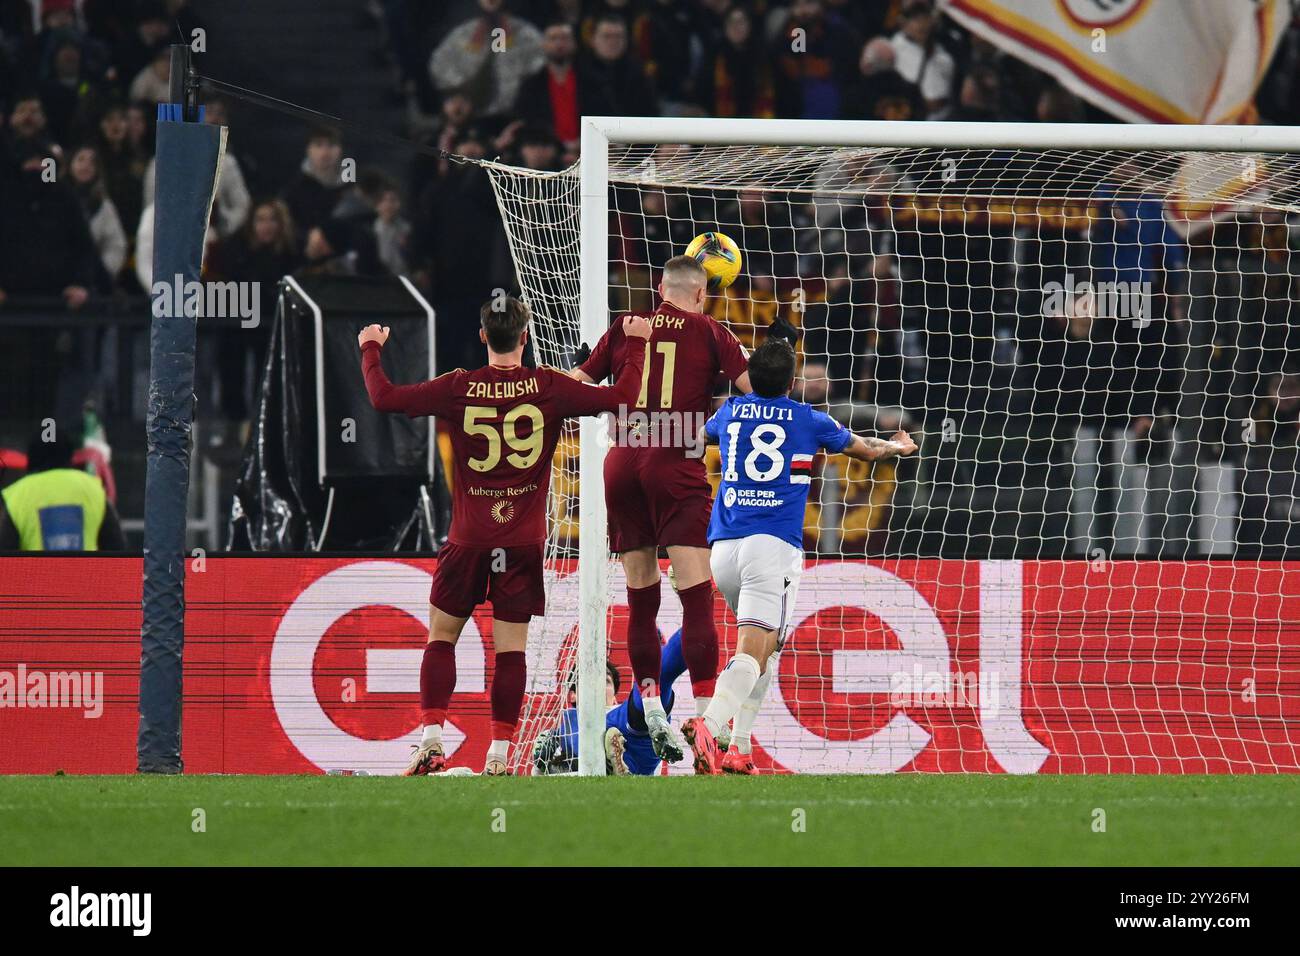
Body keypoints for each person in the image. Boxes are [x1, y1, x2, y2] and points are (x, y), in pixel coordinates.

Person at [359, 296, 652, 775]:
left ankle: (432, 739)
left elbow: (384, 398)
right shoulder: (550, 387)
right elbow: (622, 399)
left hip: (468, 540)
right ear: (526, 337)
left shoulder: (458, 387)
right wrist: (636, 346)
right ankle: (498, 755)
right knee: (510, 650)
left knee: (442, 638)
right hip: (521, 543)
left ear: (482, 337)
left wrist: (371, 348)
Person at [683, 338, 916, 773]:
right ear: (793, 383)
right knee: (755, 652)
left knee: (764, 648)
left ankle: (739, 749)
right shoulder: (810, 419)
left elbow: (698, 437)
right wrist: (898, 447)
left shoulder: (730, 411)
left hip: (723, 549)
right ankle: (709, 726)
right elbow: (866, 448)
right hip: (771, 549)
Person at [572, 255, 751, 763]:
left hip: (622, 460)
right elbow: (756, 393)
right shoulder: (711, 331)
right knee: (696, 598)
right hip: (675, 461)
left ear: (660, 288)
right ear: (700, 294)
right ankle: (702, 719)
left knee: (641, 594)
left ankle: (649, 703)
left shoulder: (626, 326)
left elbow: (578, 381)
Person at [534, 629, 693, 776]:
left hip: (628, 731)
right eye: (590, 678)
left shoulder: (621, 710)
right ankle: (609, 763)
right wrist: (538, 764)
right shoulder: (567, 726)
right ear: (573, 695)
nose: (598, 684)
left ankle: (695, 622)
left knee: (654, 680)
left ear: (615, 696)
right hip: (582, 743)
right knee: (572, 722)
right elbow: (536, 781)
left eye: (606, 681)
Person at [0, 429, 126, 551]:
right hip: (85, 572)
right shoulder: (93, 488)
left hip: (35, 572)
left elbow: (4, 553)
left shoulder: (18, 494)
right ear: (70, 455)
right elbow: (117, 549)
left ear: (31, 457)